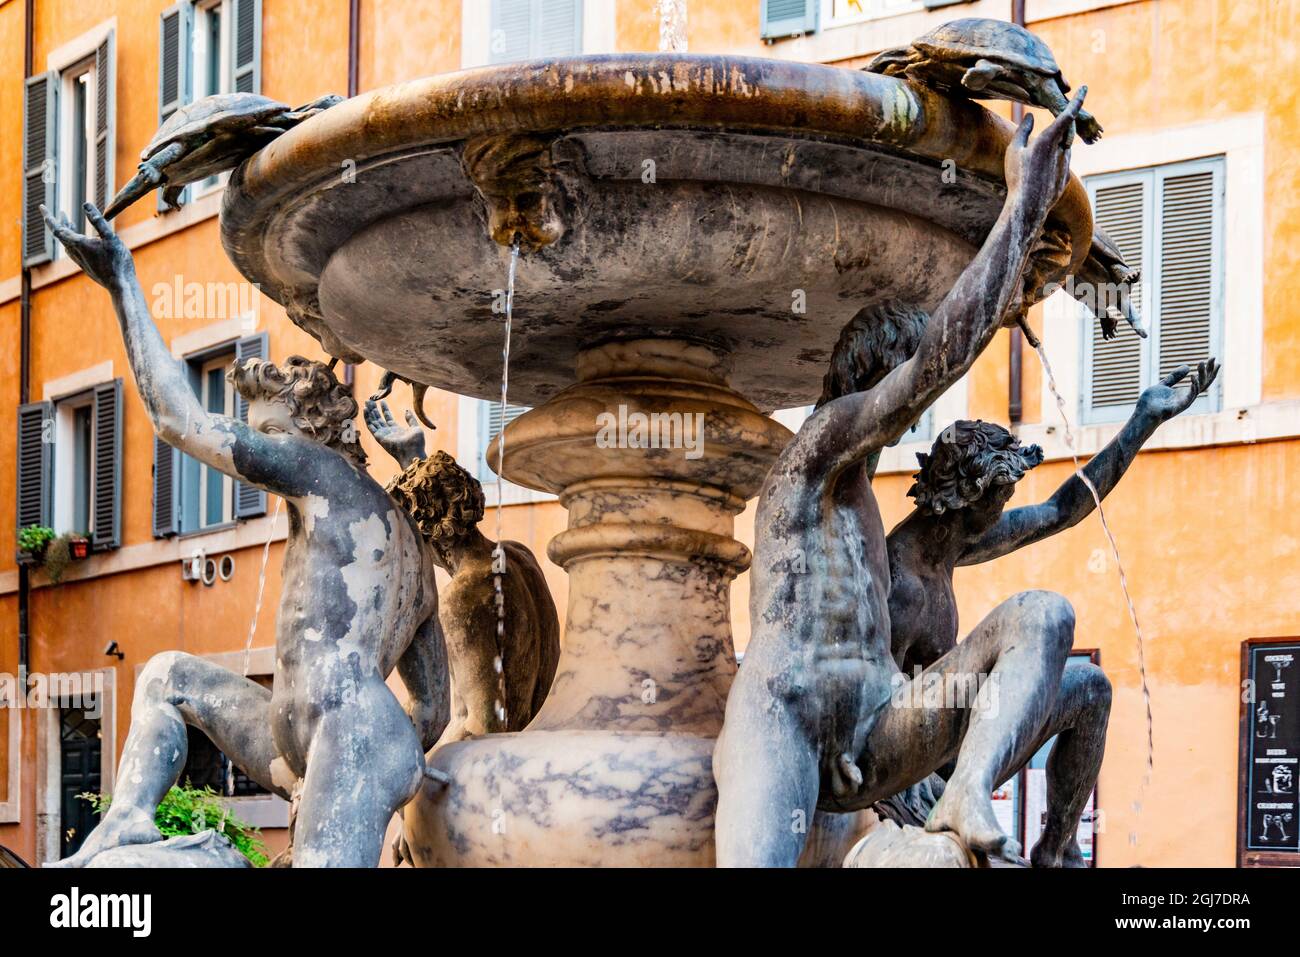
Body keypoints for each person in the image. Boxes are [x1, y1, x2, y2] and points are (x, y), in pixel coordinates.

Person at [713, 92, 1089, 866]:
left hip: (879, 720)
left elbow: (1055, 513)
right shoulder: (818, 447)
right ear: (875, 374)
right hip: (786, 712)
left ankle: (967, 787)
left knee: (1044, 616)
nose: (916, 413)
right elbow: (933, 365)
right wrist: (1020, 207)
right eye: (907, 394)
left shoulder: (865, 500)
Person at [43, 203, 449, 868]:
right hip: (310, 733)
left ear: (311, 430)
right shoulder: (405, 543)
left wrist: (123, 283)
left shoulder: (320, 470)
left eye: (266, 433)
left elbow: (177, 419)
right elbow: (433, 705)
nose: (257, 455)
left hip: (351, 732)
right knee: (167, 675)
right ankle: (126, 821)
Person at [883, 359, 1215, 865]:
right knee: (1036, 618)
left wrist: (1143, 420)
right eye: (1001, 499)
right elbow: (877, 711)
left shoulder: (949, 544)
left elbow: (1062, 510)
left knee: (1090, 689)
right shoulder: (898, 582)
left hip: (961, 740)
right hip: (917, 762)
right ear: (969, 497)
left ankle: (1055, 852)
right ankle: (967, 800)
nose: (1004, 511)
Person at [366, 401, 560, 742]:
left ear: (425, 534)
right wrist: (414, 460)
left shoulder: (461, 600)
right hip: (535, 745)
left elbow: (484, 727)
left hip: (492, 767)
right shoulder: (516, 557)